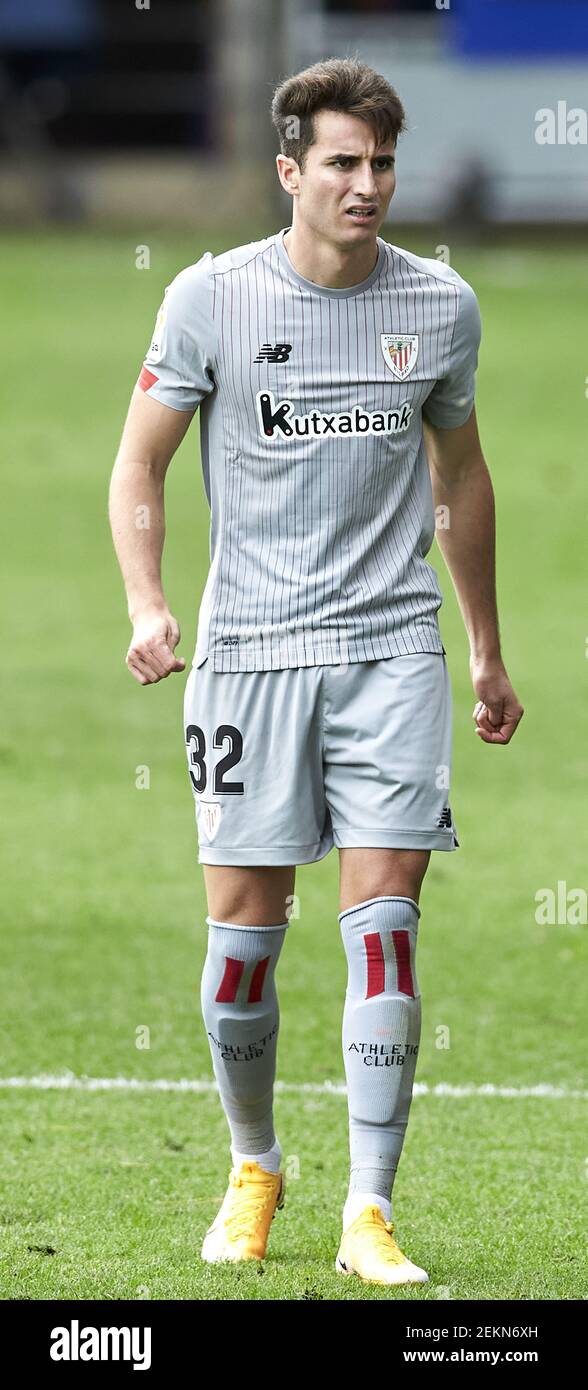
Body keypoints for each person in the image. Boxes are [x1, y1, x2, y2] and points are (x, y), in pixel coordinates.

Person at [109, 57, 524, 1288]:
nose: (368, 185)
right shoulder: (207, 299)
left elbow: (462, 481)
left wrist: (487, 646)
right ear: (289, 170)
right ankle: (254, 1166)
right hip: (247, 657)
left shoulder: (439, 307)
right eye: (342, 162)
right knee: (243, 944)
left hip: (393, 651)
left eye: (382, 163)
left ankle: (370, 1208)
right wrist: (147, 602)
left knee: (384, 925)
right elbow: (137, 467)